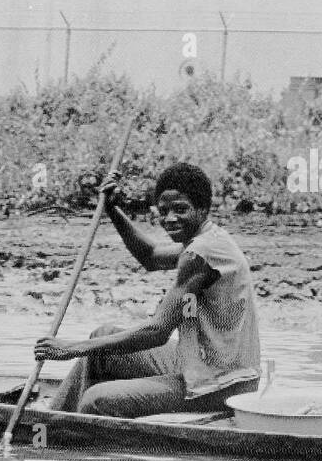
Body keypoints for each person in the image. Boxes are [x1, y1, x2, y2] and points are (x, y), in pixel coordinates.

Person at [33, 162, 261, 417]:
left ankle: (57, 422)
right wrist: (112, 209)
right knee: (103, 337)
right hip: (202, 363)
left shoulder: (201, 253)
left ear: (203, 209)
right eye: (163, 211)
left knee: (96, 400)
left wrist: (70, 348)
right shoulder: (207, 239)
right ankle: (54, 417)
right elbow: (151, 256)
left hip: (223, 386)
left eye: (181, 210)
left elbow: (157, 332)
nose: (170, 219)